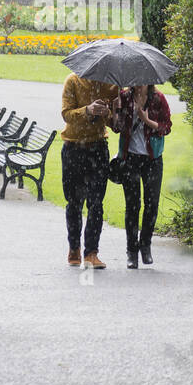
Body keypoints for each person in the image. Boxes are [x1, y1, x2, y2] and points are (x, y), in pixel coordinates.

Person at [60, 72, 119, 269]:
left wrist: (111, 113)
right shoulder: (73, 81)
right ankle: (74, 248)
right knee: (74, 202)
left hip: (98, 148)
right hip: (74, 148)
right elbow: (66, 114)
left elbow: (115, 125)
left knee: (96, 203)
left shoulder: (111, 86)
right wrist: (88, 110)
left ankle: (91, 253)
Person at [110, 83, 172, 268]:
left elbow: (166, 128)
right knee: (133, 205)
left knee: (151, 204)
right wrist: (115, 110)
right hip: (131, 159)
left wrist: (146, 120)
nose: (138, 82)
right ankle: (132, 251)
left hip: (153, 159)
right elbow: (117, 128)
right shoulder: (124, 97)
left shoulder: (158, 99)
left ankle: (146, 245)